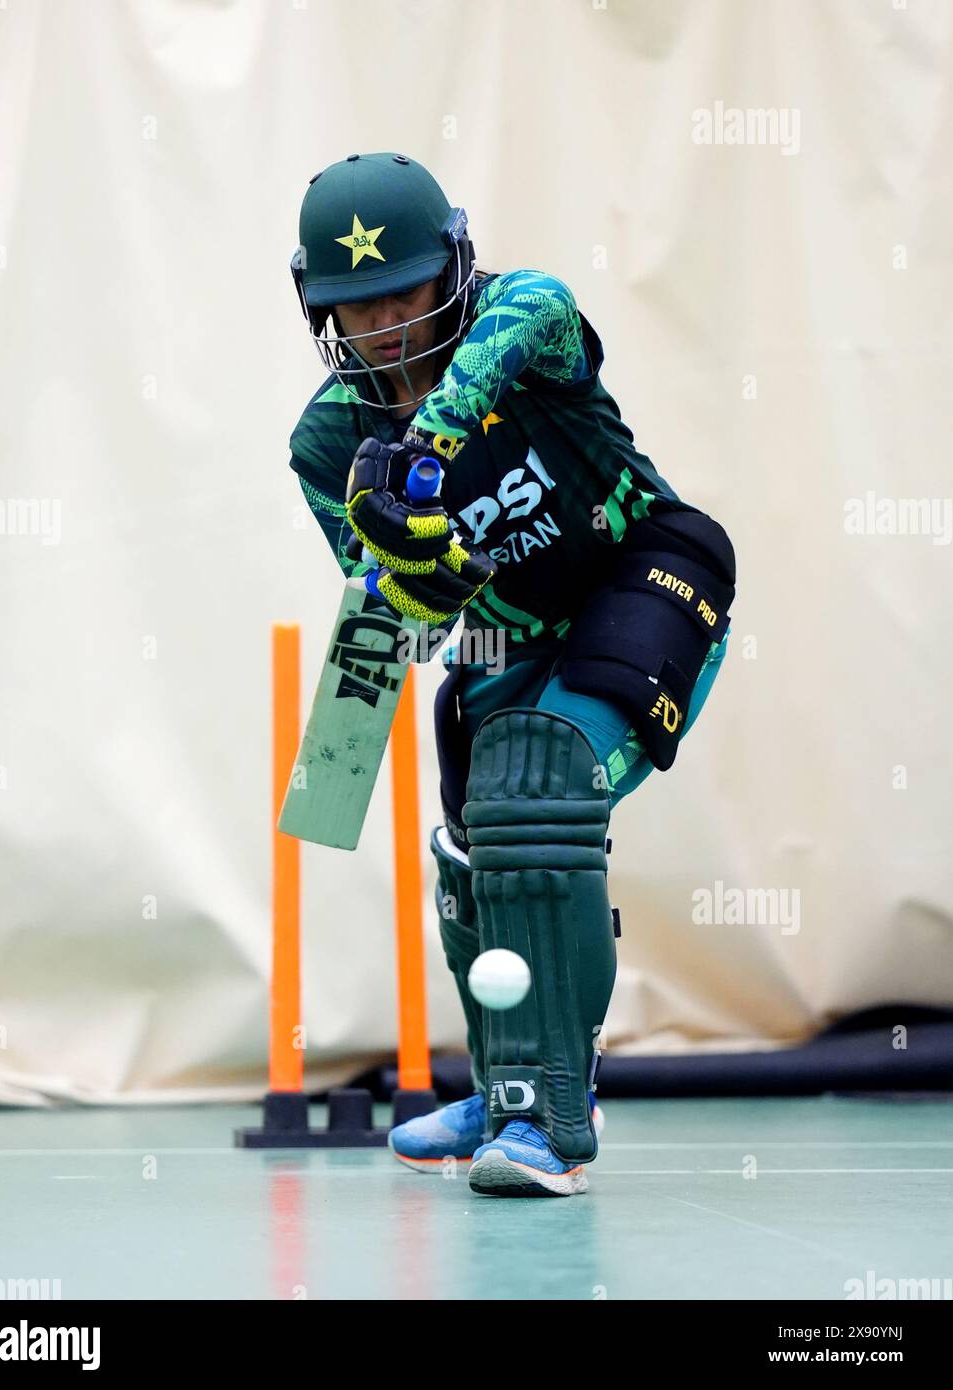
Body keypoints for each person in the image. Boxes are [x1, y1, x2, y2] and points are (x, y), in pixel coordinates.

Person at [289, 152, 736, 1197]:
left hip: (645, 564)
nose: (389, 326)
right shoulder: (322, 444)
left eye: (406, 289)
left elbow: (535, 317)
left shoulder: (519, 312)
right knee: (467, 846)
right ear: (321, 315)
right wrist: (413, 569)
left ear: (453, 268)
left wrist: (426, 453)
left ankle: (548, 1125)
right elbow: (410, 623)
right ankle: (501, 1092)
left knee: (536, 779)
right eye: (359, 308)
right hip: (512, 636)